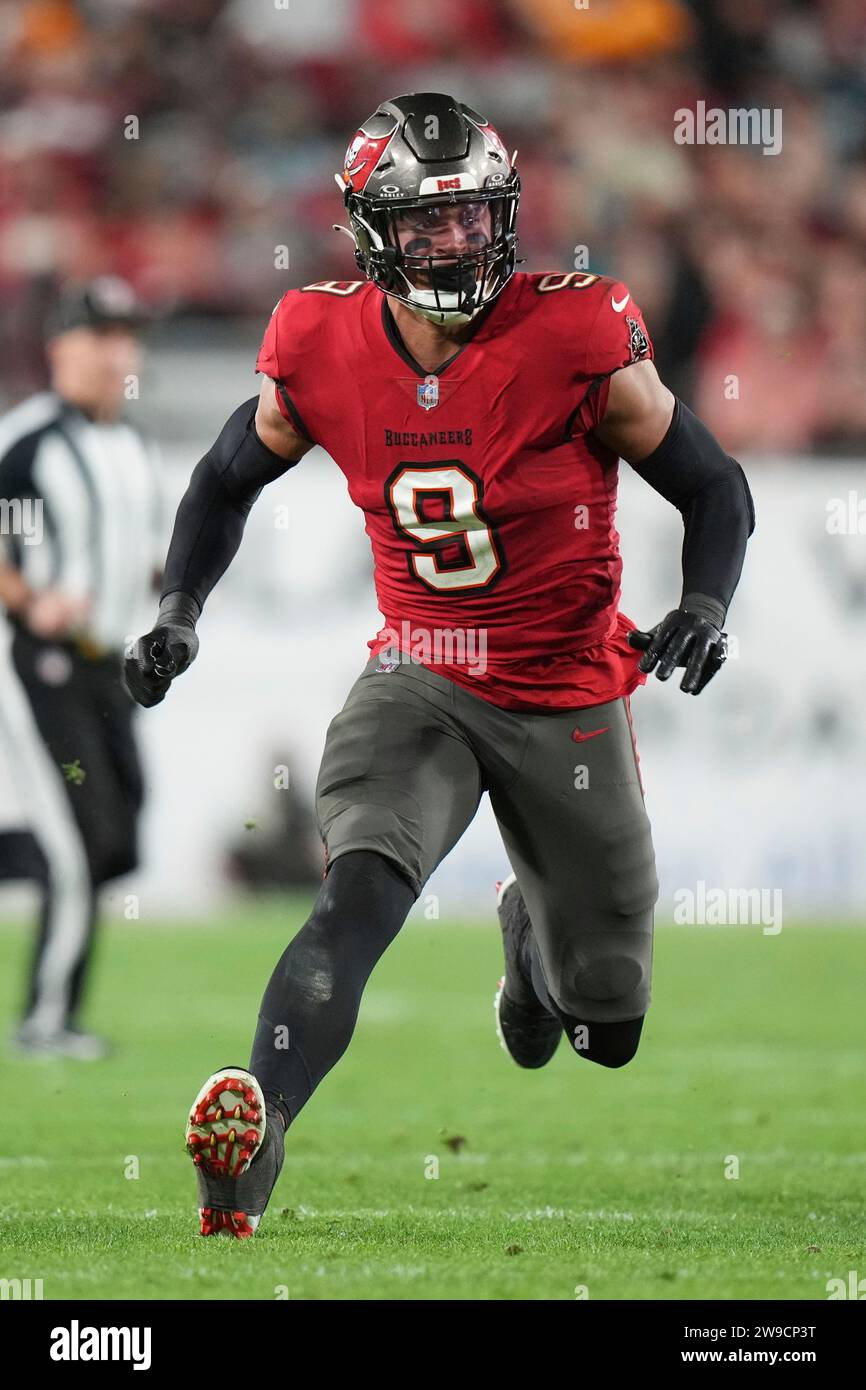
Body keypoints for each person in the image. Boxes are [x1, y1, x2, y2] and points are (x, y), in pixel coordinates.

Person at [124, 94, 754, 1236]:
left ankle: (530, 947)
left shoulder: (576, 329)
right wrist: (179, 606)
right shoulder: (317, 340)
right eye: (425, 225)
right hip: (419, 674)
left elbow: (712, 483)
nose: (454, 243)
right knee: (358, 888)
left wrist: (704, 602)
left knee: (605, 1024)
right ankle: (255, 1129)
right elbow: (225, 476)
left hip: (567, 689)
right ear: (372, 234)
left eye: (471, 218)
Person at [0, 276, 161, 1059]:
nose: (117, 353)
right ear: (63, 346)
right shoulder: (30, 441)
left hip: (111, 672)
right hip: (43, 664)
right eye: (101, 336)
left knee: (116, 836)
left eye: (127, 336)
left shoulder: (130, 445)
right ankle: (46, 1020)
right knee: (73, 843)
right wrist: (29, 600)